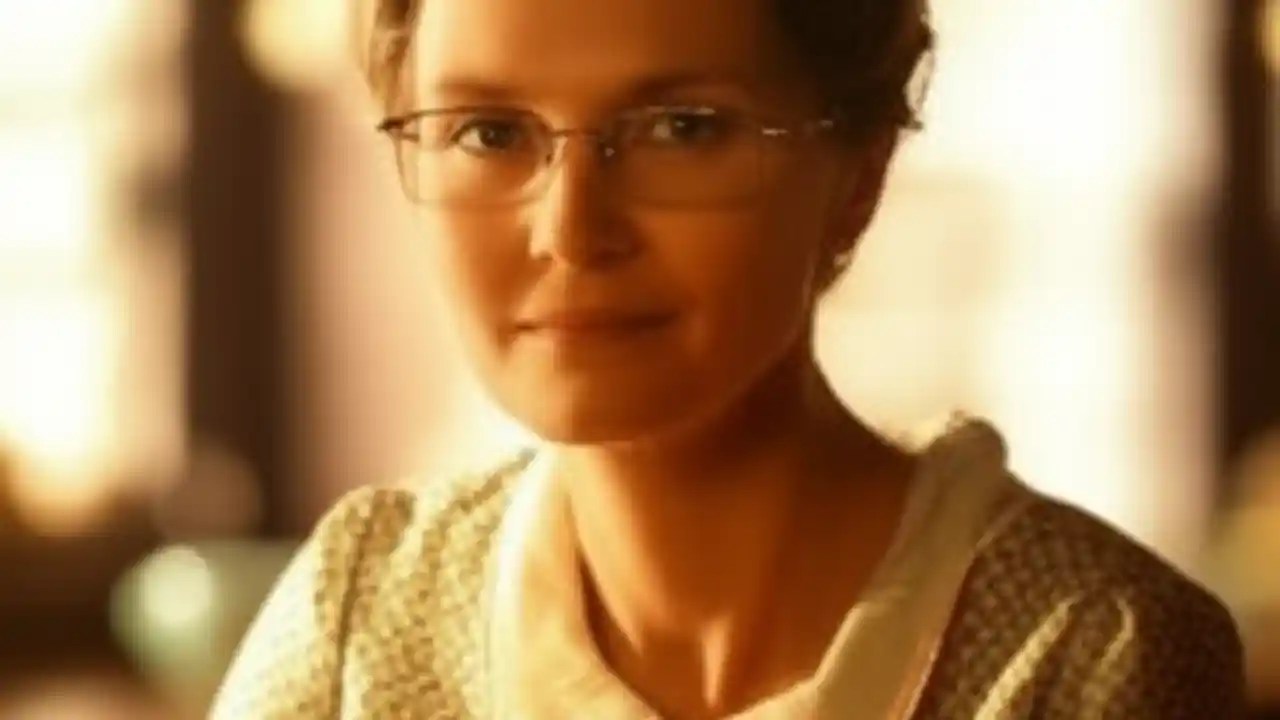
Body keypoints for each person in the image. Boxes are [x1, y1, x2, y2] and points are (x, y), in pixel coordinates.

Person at [210, 0, 1246, 716]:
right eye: (487, 133)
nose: (569, 231)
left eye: (680, 127)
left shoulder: (1087, 653)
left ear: (857, 175)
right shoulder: (364, 606)